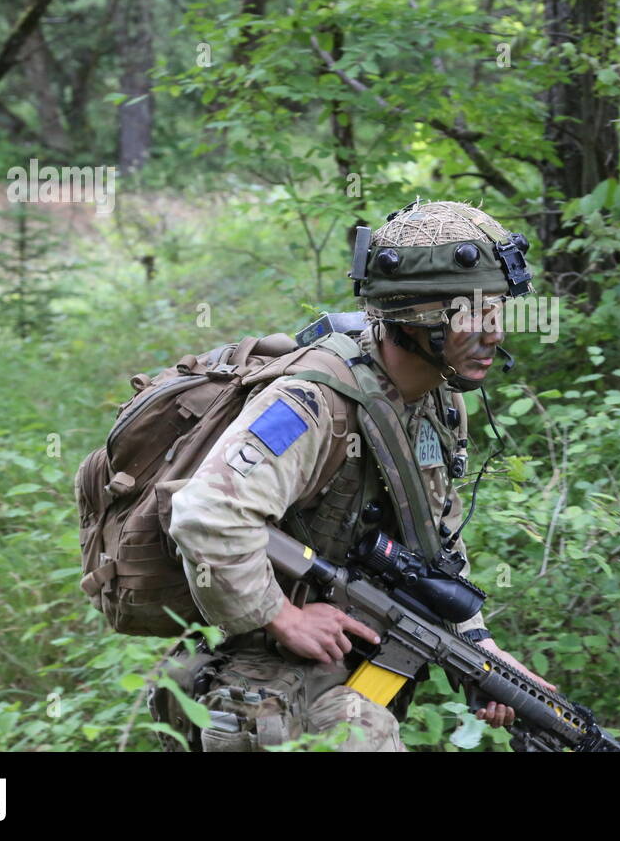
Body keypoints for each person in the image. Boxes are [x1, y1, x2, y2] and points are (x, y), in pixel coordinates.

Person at [156, 200, 553, 751]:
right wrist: (282, 616)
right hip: (267, 676)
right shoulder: (310, 403)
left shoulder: (437, 399)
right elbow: (206, 511)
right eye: (471, 316)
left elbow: (435, 542)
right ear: (417, 318)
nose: (492, 333)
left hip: (348, 657)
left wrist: (479, 649)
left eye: (496, 313)